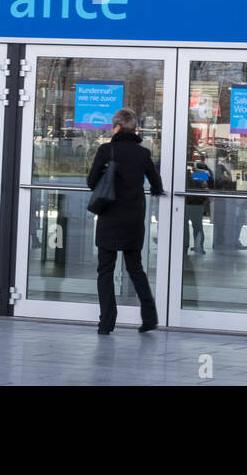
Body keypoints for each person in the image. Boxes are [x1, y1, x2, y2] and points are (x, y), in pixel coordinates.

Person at [87, 108, 165, 334]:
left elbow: (92, 182)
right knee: (135, 268)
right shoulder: (143, 153)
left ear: (118, 127)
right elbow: (156, 184)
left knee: (105, 270)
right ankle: (149, 317)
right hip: (133, 218)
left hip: (109, 216)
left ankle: (106, 322)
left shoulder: (106, 150)